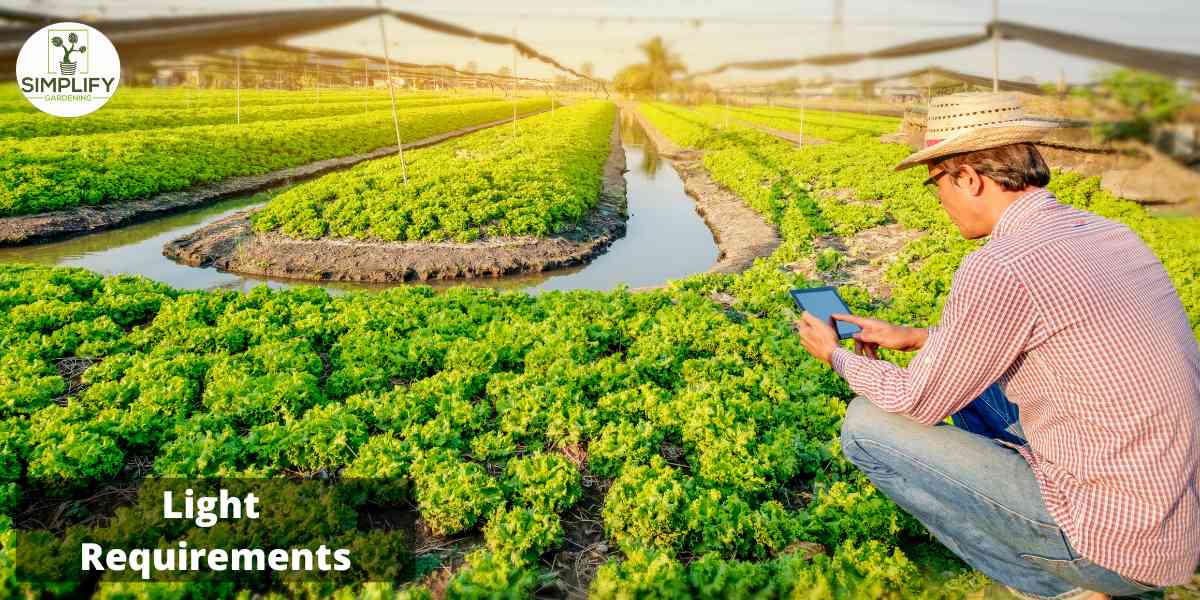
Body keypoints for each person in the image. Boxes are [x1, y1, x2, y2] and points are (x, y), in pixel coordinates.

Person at [795, 92, 1200, 600]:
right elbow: (1048, 340)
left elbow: (916, 401)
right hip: (1174, 521)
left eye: (935, 181)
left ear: (968, 177)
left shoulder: (1003, 262)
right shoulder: (1111, 233)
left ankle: (1060, 588)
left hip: (1116, 542)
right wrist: (920, 339)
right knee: (966, 382)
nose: (938, 198)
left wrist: (836, 354)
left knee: (864, 427)